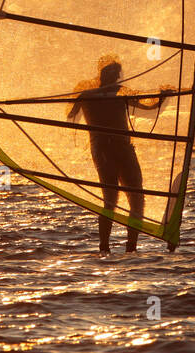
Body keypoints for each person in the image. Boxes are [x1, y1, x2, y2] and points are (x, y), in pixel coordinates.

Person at [66, 55, 171, 253]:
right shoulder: (88, 95)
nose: (116, 79)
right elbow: (71, 114)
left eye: (116, 76)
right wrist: (83, 97)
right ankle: (104, 247)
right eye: (112, 75)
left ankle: (131, 246)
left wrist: (163, 96)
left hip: (123, 148)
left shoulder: (121, 95)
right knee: (111, 199)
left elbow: (148, 106)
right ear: (103, 76)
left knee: (137, 197)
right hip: (104, 149)